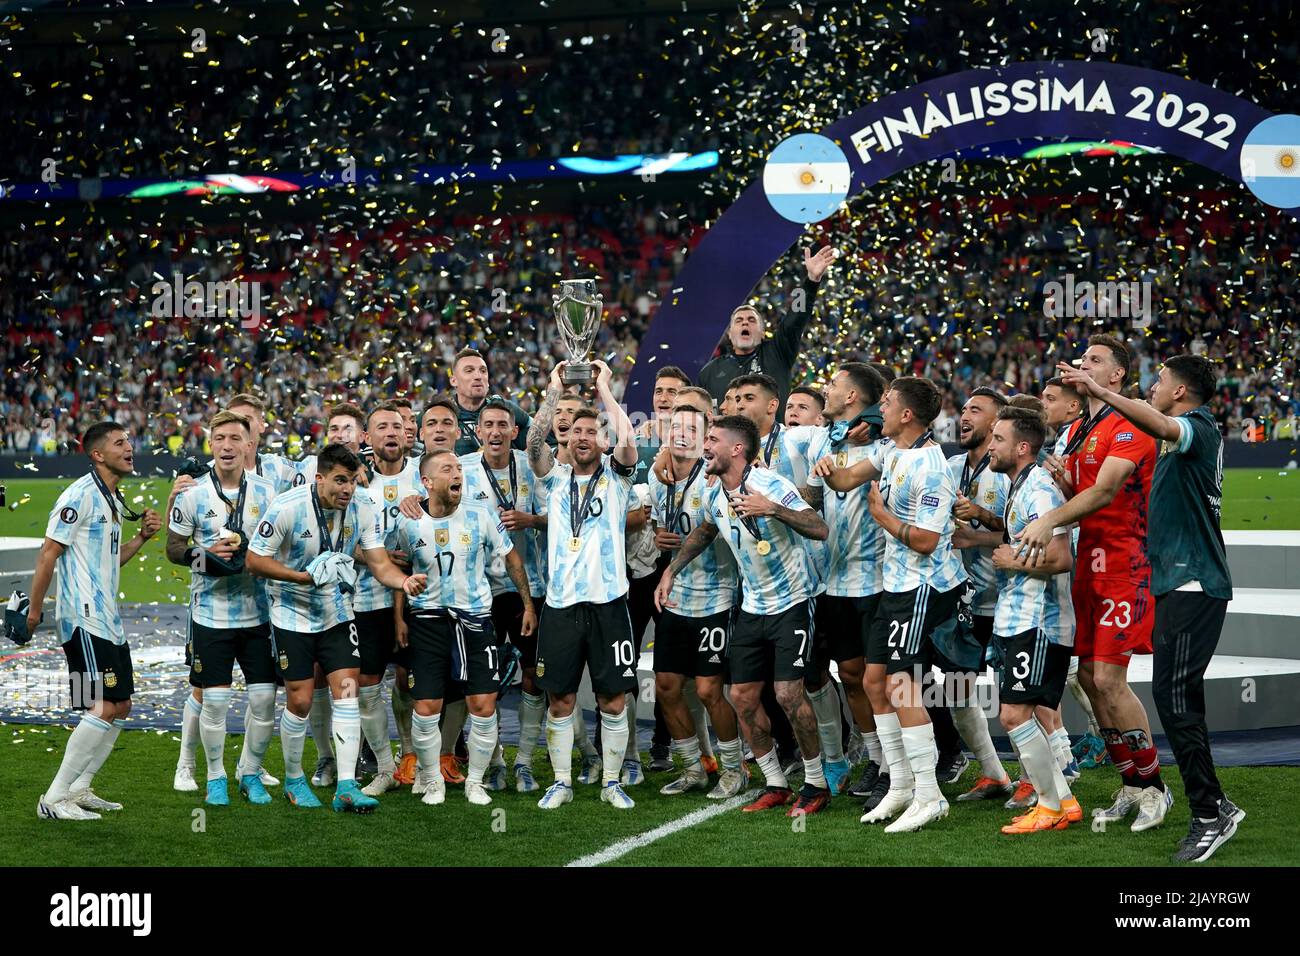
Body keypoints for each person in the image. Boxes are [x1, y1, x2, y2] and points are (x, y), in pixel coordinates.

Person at [1058, 354, 1243, 862]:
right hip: (1175, 583)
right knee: (1172, 695)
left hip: (1193, 583)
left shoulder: (1197, 428)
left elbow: (1156, 422)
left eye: (1160, 381)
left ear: (1181, 392)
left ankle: (1209, 811)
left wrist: (1105, 394)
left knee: (1174, 696)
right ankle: (1208, 804)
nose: (1153, 386)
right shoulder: (1178, 439)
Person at [1015, 334, 1171, 834]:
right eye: (1083, 359)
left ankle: (1154, 787)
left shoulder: (1132, 421)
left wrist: (1049, 519)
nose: (1083, 365)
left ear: (1117, 375)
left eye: (1095, 361)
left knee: (1108, 679)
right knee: (1086, 679)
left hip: (1125, 567)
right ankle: (1130, 783)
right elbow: (1085, 489)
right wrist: (1063, 484)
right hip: (1089, 566)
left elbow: (1105, 492)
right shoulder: (1084, 426)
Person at [657, 415, 832, 816]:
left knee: (789, 694)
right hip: (752, 608)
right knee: (741, 696)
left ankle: (816, 783)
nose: (705, 446)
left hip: (792, 604)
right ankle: (774, 782)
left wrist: (772, 509)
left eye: (713, 440)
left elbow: (818, 527)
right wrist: (671, 570)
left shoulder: (772, 485)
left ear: (737, 449)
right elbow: (705, 530)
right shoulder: (715, 491)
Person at [817, 377, 967, 832]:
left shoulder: (932, 467)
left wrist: (883, 518)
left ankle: (929, 793)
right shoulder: (889, 451)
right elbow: (844, 480)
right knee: (875, 679)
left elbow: (924, 540)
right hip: (895, 586)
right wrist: (827, 467)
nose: (878, 408)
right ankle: (901, 783)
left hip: (923, 587)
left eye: (886, 402)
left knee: (902, 686)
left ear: (906, 415)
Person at [246, 442, 426, 813]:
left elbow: (378, 562)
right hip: (290, 616)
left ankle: (346, 785)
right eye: (340, 481)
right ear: (320, 478)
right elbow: (253, 560)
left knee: (347, 693)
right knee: (299, 700)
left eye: (354, 481)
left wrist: (402, 583)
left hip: (338, 613)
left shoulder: (364, 507)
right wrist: (301, 577)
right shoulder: (288, 506)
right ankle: (295, 780)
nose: (348, 489)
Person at [29, 422, 163, 820]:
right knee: (101, 705)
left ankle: (80, 788)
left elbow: (109, 560)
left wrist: (139, 539)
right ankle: (53, 799)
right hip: (82, 620)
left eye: (129, 440)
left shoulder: (111, 498)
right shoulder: (81, 496)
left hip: (108, 619)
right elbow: (47, 554)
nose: (130, 447)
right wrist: (36, 612)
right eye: (120, 442)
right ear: (98, 454)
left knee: (120, 706)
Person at [526, 359, 641, 811]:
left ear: (602, 440)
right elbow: (534, 442)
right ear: (566, 439)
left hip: (609, 604)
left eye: (591, 432)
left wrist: (606, 391)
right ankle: (561, 781)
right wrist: (553, 390)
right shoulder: (553, 478)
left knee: (613, 699)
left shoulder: (618, 476)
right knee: (561, 698)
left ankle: (612, 782)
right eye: (575, 431)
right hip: (560, 606)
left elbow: (629, 441)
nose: (583, 437)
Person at [391, 450, 536, 806]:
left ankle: (475, 782)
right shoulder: (408, 521)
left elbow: (511, 556)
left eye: (459, 467)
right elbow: (399, 567)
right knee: (426, 705)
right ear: (426, 481)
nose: (457, 473)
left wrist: (528, 603)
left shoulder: (480, 512)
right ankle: (431, 779)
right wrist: (399, 617)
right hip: (426, 622)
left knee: (483, 704)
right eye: (447, 469)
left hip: (474, 621)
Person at [165, 411, 280, 805]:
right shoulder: (192, 493)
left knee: (264, 700)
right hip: (210, 615)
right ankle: (215, 776)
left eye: (236, 438)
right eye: (220, 439)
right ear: (210, 444)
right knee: (213, 701)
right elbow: (174, 551)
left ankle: (249, 773)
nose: (227, 446)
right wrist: (205, 555)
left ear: (249, 445)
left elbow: (278, 545)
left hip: (259, 612)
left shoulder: (267, 492)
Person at [985, 406, 1082, 833]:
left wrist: (1014, 559)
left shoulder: (1040, 490)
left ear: (1022, 447)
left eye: (998, 440)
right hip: (1019, 617)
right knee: (1030, 715)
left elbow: (1061, 558)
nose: (991, 446)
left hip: (1039, 621)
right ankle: (1063, 800)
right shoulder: (1020, 486)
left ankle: (1048, 805)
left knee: (1013, 716)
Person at [648, 403, 748, 799]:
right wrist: (659, 537)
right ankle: (693, 769)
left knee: (709, 690)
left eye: (694, 427)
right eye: (676, 426)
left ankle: (733, 768)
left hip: (717, 596)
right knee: (667, 686)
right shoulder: (659, 480)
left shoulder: (717, 478)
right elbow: (661, 528)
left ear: (708, 436)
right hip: (675, 597)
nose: (683, 433)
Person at [801, 364, 890, 799]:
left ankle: (899, 766)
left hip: (876, 580)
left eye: (833, 384)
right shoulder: (822, 435)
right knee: (852, 675)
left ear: (854, 396)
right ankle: (877, 759)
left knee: (881, 679)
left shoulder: (881, 439)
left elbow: (888, 414)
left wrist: (867, 423)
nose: (826, 389)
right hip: (833, 580)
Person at [459, 399, 549, 793]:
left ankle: (525, 762)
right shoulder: (460, 470)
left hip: (531, 586)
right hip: (480, 592)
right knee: (486, 681)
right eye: (488, 425)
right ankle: (494, 760)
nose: (495, 432)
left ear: (515, 432)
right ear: (477, 431)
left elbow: (561, 515)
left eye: (503, 425)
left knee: (534, 676)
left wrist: (533, 520)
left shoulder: (532, 465)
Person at [347, 402, 427, 795]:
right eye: (381, 427)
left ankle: (416, 758)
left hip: (421, 596)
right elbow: (339, 540)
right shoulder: (356, 483)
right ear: (367, 437)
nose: (391, 433)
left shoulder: (424, 475)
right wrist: (369, 556)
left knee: (415, 680)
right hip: (368, 599)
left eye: (397, 426)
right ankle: (383, 765)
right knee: (367, 683)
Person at [942, 388, 1016, 803]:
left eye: (976, 410)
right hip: (962, 603)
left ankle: (1048, 775)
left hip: (1003, 600)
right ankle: (993, 774)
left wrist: (979, 526)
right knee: (956, 691)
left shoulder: (1010, 470)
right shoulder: (950, 466)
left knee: (1015, 700)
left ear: (997, 422)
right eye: (964, 407)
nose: (964, 415)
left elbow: (1025, 530)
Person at [1041, 377, 1107, 770]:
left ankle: (1099, 734)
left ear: (1073, 407)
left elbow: (1085, 494)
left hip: (1079, 552)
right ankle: (1098, 734)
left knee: (1072, 661)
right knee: (1073, 661)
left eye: (1051, 398)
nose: (1043, 403)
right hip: (1076, 548)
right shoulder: (1069, 435)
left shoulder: (1079, 435)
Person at [697, 246, 836, 408]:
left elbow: (795, 318)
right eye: (739, 320)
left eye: (751, 320)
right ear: (729, 333)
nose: (745, 322)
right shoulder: (709, 372)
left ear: (762, 332)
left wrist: (811, 282)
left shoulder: (777, 352)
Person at [449, 348, 532, 455]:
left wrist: (524, 458)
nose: (478, 376)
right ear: (453, 380)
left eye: (483, 371)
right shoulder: (441, 413)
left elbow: (541, 431)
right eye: (469, 370)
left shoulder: (503, 407)